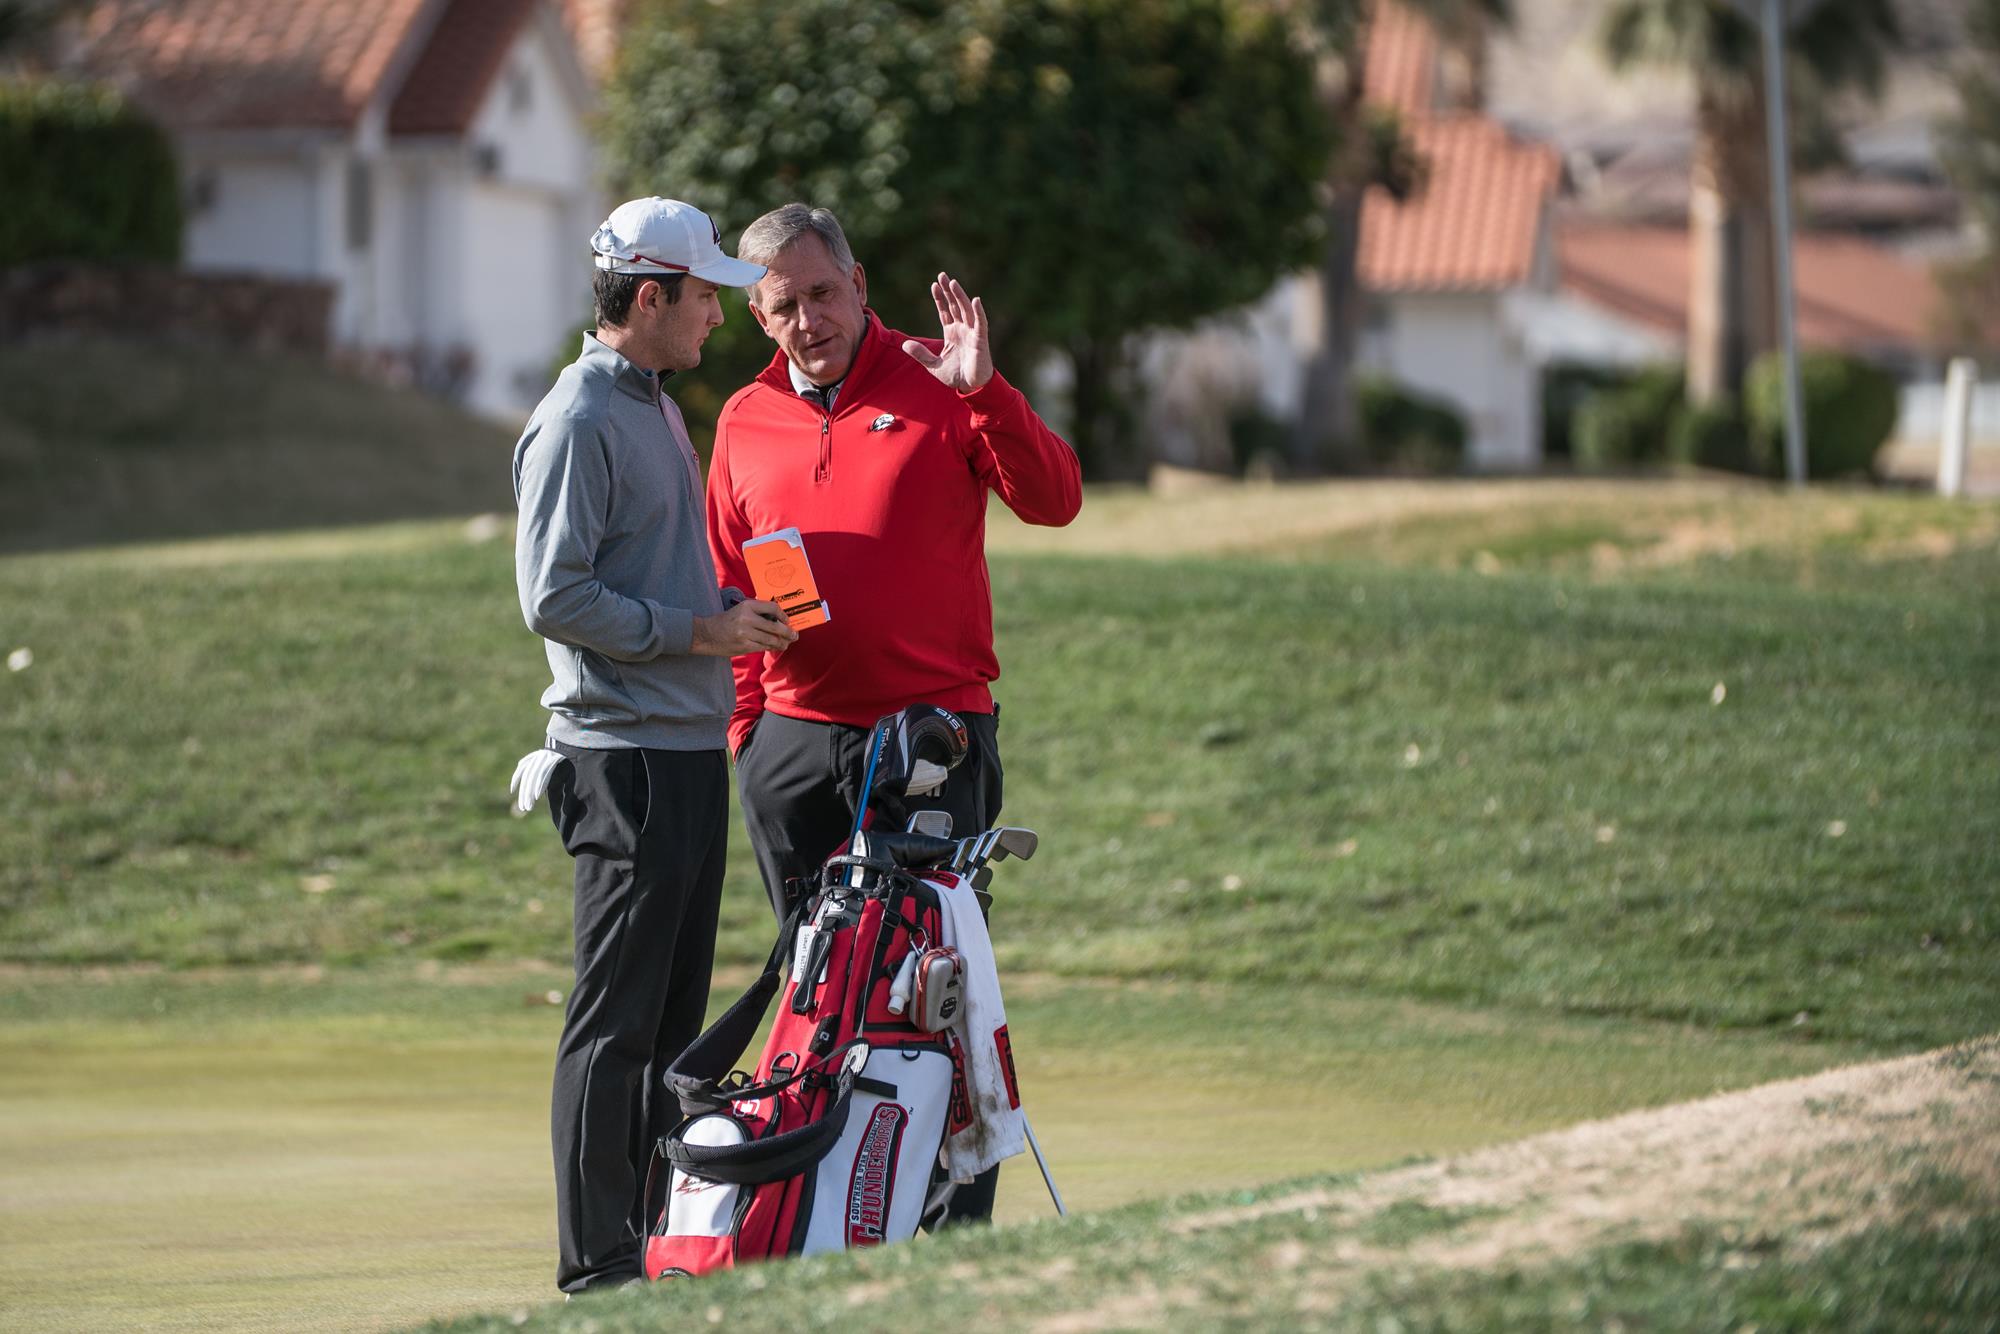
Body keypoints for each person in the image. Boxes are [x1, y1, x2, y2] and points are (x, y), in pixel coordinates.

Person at [705, 202, 1082, 1223]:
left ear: (858, 283)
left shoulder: (939, 381)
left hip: (931, 742)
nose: (807, 320)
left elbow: (1055, 498)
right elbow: (729, 583)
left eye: (821, 293)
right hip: (791, 745)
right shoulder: (742, 418)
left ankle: (951, 1225)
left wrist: (988, 392)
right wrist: (749, 735)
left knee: (935, 986)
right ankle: (828, 1215)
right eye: (781, 305)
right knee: (816, 994)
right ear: (759, 316)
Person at [511, 197, 797, 1295]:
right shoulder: (580, 414)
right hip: (618, 755)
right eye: (703, 296)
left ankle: (640, 1236)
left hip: (679, 747)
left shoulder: (655, 406)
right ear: (648, 298)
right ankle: (595, 1265)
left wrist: (730, 603)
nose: (719, 317)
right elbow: (555, 593)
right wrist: (699, 630)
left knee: (673, 1016)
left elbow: (644, 568)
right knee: (615, 1018)